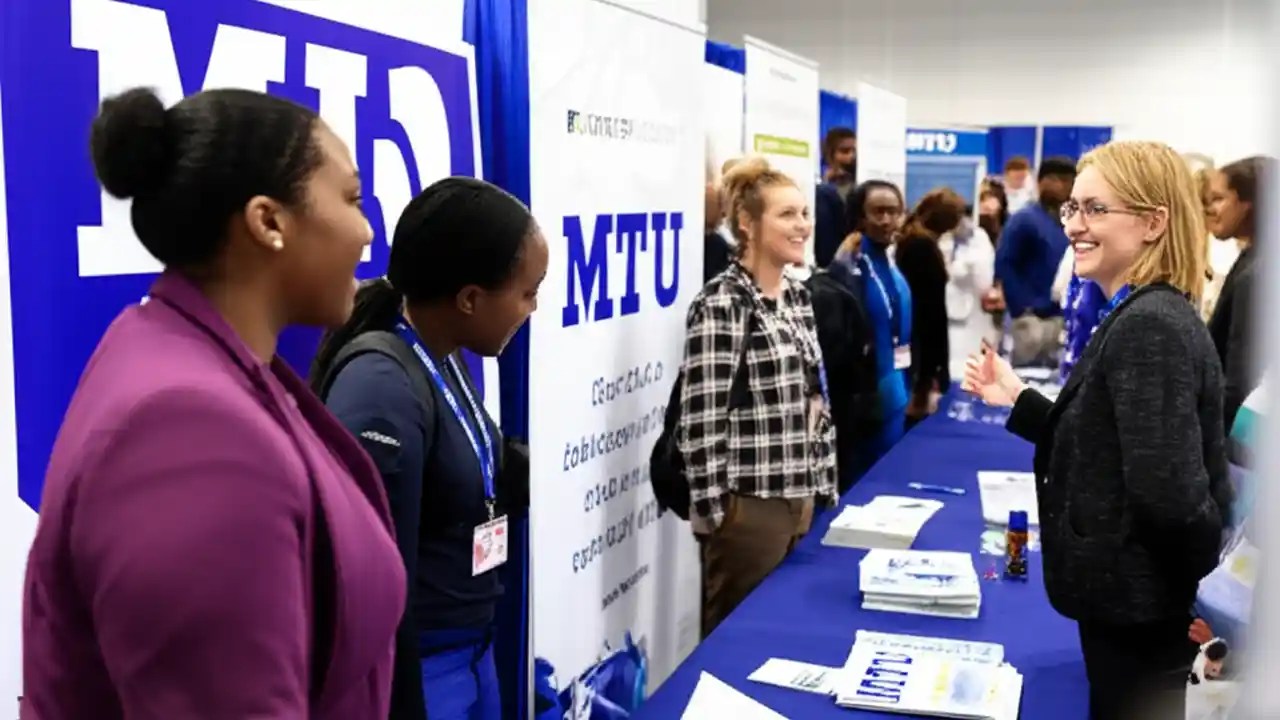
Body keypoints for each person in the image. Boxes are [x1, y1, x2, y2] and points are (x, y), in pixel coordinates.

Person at [22, 87, 405, 718]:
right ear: (268, 222)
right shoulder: (188, 431)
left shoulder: (193, 358)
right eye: (351, 199)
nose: (366, 231)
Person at [963, 140, 1232, 719]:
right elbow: (1105, 441)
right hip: (1137, 606)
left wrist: (1200, 593)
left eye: (1095, 210)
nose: (1075, 227)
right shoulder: (1142, 314)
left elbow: (1172, 498)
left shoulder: (1149, 326)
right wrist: (1019, 398)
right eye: (1072, 210)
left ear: (1154, 222)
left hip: (1146, 611)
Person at [309, 177, 548, 720]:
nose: (532, 307)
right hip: (421, 669)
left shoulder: (443, 356)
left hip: (469, 648)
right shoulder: (382, 386)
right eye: (527, 291)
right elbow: (366, 585)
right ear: (469, 299)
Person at [678, 157, 837, 637]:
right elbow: (700, 421)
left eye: (804, 213)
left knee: (785, 638)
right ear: (747, 224)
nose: (803, 225)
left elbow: (816, 397)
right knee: (736, 643)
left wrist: (823, 485)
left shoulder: (797, 297)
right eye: (787, 214)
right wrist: (719, 516)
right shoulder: (722, 303)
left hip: (800, 498)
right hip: (749, 508)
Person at [833, 180, 912, 475]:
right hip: (866, 403)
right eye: (878, 212)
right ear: (860, 217)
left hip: (897, 392)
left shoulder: (889, 264)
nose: (887, 220)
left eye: (894, 211)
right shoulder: (850, 268)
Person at [1206, 156, 1274, 428]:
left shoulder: (1258, 272)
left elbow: (1240, 378)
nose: (1210, 210)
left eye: (1219, 199)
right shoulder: (1252, 259)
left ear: (1248, 204)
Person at [995, 156, 1077, 367]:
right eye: (1058, 180)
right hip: (1031, 317)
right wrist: (1021, 309)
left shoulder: (1068, 222)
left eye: (1069, 181)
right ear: (1041, 182)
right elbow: (1005, 263)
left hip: (1060, 318)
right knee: (1026, 382)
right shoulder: (1024, 219)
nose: (1065, 186)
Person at [896, 188, 964, 424]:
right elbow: (932, 313)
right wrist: (937, 368)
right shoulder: (922, 249)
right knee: (917, 413)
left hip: (913, 340)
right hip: (920, 345)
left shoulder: (909, 240)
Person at [938, 211, 998, 381]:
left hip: (971, 318)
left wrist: (966, 265)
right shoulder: (937, 237)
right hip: (939, 315)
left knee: (968, 371)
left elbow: (984, 282)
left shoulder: (979, 238)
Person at [814, 127, 857, 267]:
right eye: (845, 151)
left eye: (854, 151)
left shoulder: (859, 187)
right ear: (830, 154)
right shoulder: (818, 187)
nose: (851, 157)